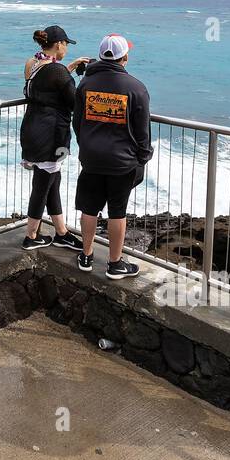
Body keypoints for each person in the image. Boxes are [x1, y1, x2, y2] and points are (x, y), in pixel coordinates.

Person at [71, 34, 153, 279]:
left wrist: (86, 145)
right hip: (122, 162)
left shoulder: (85, 84)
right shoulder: (136, 88)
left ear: (100, 56)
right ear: (124, 58)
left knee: (89, 209)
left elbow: (77, 123)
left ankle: (86, 256)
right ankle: (115, 264)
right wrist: (143, 157)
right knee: (117, 212)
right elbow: (143, 132)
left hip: (91, 158)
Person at [19, 24, 89, 251]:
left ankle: (61, 232)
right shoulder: (57, 72)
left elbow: (45, 86)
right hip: (50, 135)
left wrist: (67, 69)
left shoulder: (34, 64)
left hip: (32, 129)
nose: (67, 48)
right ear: (59, 44)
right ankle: (31, 235)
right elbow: (75, 102)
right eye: (66, 44)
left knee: (52, 181)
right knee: (42, 185)